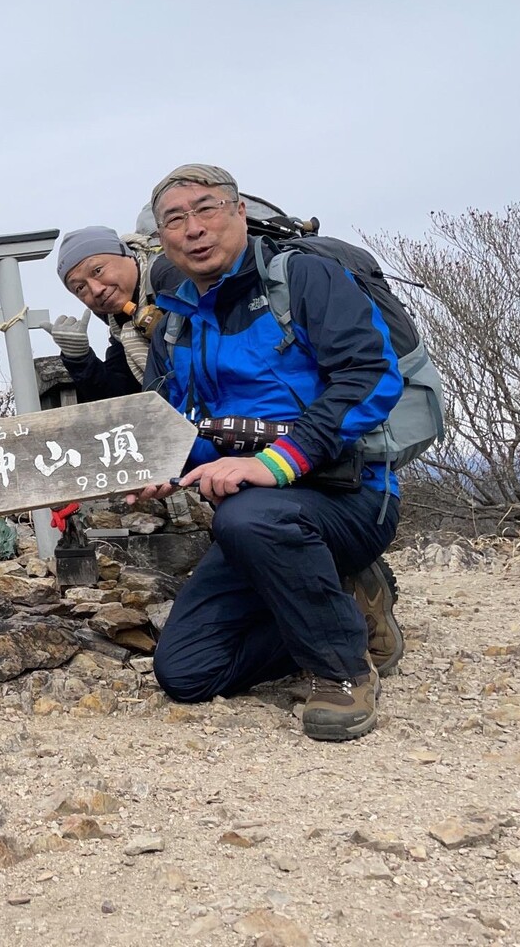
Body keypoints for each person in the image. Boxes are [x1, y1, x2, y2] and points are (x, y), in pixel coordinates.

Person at [136, 163, 404, 742]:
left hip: (349, 491)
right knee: (186, 671)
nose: (193, 229)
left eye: (207, 209)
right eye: (174, 220)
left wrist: (277, 461)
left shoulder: (304, 278)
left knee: (250, 513)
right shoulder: (173, 323)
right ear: (161, 240)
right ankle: (344, 609)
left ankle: (340, 671)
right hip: (255, 521)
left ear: (239, 212)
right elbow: (173, 424)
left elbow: (371, 377)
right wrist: (162, 471)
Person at [41, 226, 181, 399]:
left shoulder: (171, 276)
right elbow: (120, 396)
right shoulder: (123, 327)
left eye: (98, 270)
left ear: (126, 254)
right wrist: (79, 358)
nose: (96, 290)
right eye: (80, 288)